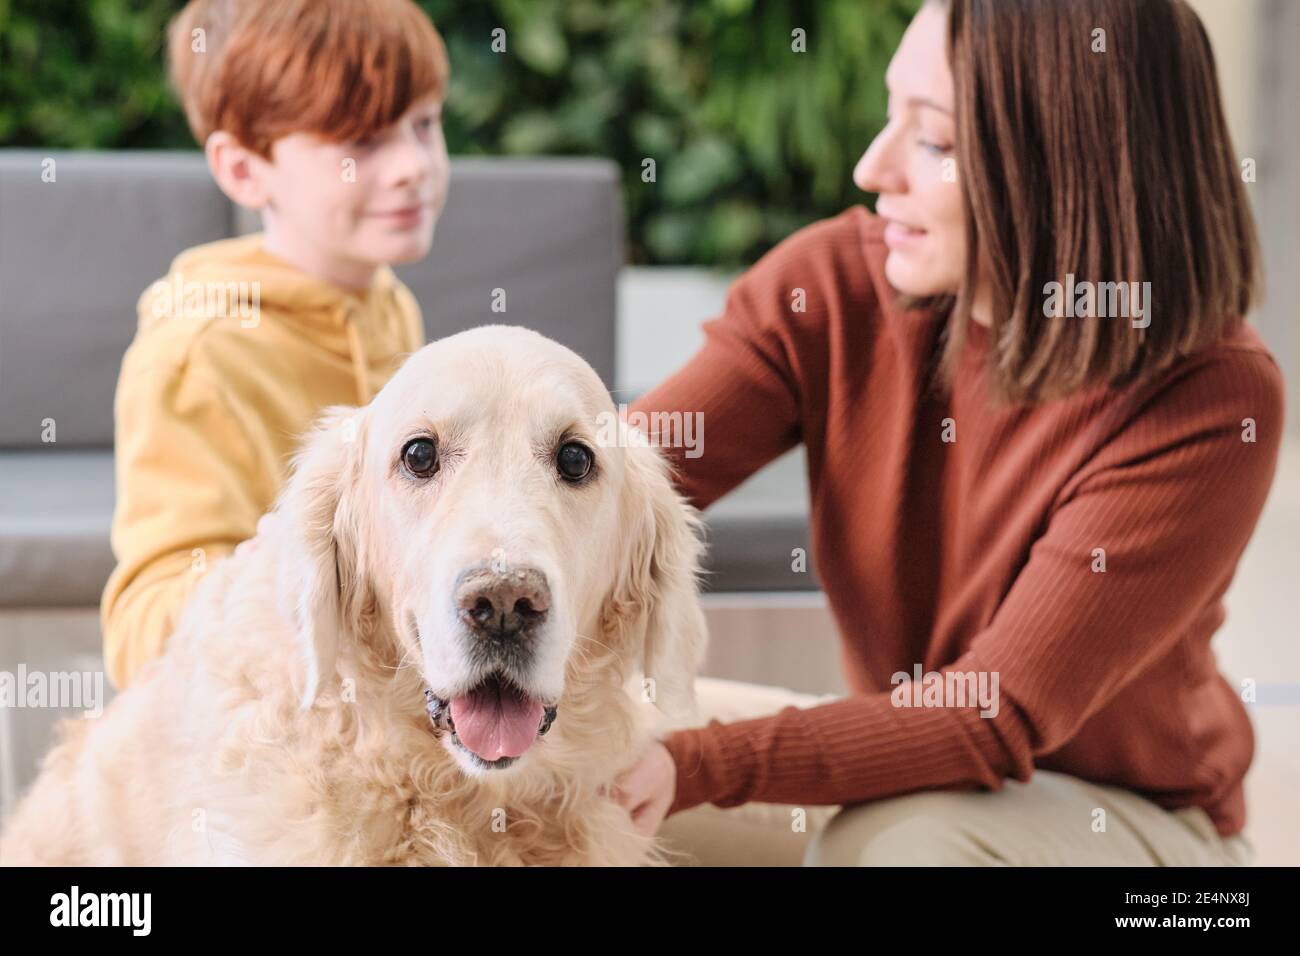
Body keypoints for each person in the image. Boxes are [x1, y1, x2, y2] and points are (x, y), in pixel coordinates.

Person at [614, 0, 1283, 866]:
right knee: (559, 777)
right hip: (910, 781)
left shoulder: (1209, 393)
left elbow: (994, 712)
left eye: (932, 142)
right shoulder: (828, 288)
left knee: (897, 849)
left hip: (1133, 829)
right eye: (891, 118)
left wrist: (697, 762)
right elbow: (609, 489)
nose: (869, 167)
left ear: (1064, 164)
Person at [100, 0, 450, 689]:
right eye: (362, 142)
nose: (413, 163)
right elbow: (140, 639)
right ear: (241, 168)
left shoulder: (387, 303)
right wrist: (278, 569)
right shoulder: (200, 352)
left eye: (425, 124)